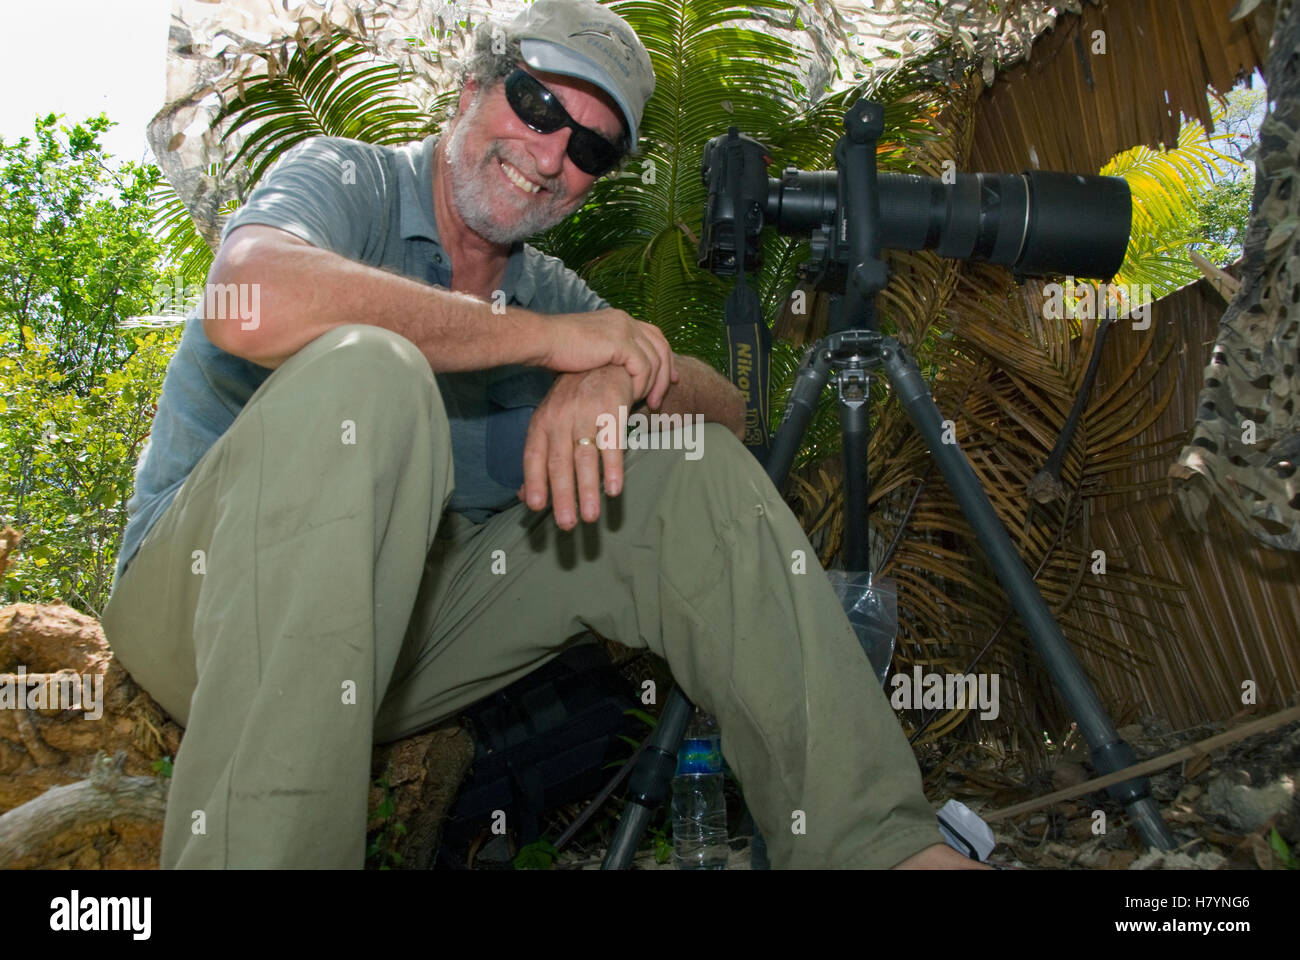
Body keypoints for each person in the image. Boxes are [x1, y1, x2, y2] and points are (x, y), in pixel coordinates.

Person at [102, 0, 979, 870]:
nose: (553, 153)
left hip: (398, 641)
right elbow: (250, 299)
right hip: (199, 609)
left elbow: (730, 415)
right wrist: (549, 341)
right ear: (469, 92)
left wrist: (611, 370)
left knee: (689, 471)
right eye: (538, 104)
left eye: (590, 147)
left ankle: (882, 847)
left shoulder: (547, 285)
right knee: (370, 374)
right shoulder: (347, 179)